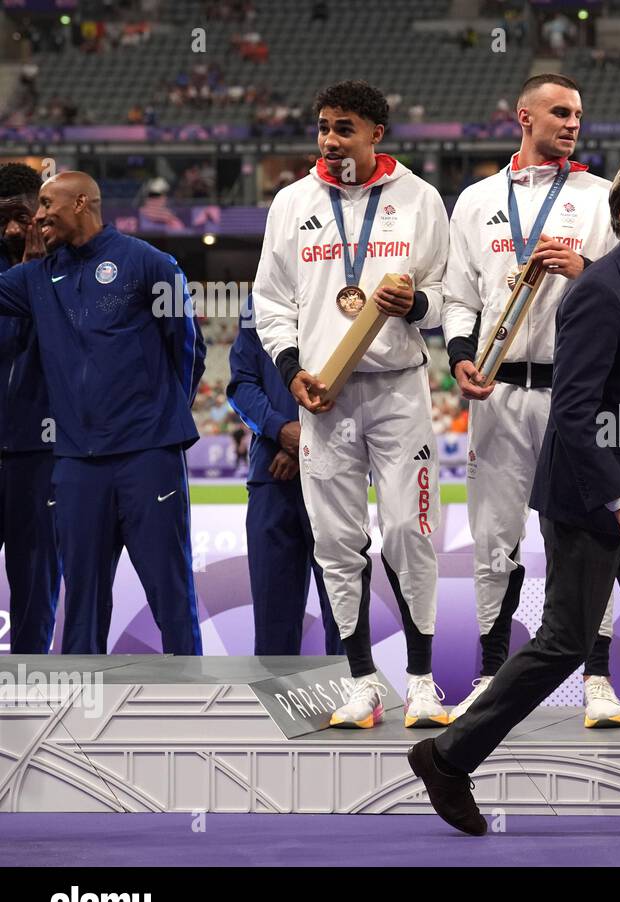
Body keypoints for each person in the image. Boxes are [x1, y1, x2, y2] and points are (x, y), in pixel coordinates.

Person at [408, 160, 620, 845]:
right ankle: (447, 756)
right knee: (564, 642)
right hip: (594, 500)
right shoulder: (598, 290)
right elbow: (575, 410)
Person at [252, 80, 450, 728]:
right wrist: (291, 370)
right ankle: (361, 681)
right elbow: (272, 303)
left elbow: (451, 295)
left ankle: (421, 681)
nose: (331, 139)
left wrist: (417, 306)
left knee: (408, 531)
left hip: (398, 391)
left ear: (375, 135)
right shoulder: (292, 202)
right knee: (337, 541)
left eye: (345, 128)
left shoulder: (419, 199)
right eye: (324, 127)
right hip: (323, 398)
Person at [442, 74, 620, 728]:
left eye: (578, 113)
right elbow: (458, 297)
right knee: (494, 539)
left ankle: (599, 678)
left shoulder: (604, 199)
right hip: (499, 392)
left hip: (579, 393)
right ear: (523, 116)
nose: (573, 123)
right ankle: (491, 676)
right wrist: (461, 354)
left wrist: (585, 272)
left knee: (591, 535)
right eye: (559, 112)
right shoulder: (475, 201)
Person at [0, 171, 205, 654]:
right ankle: (78, 710)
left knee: (170, 593)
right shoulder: (35, 278)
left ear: (82, 203)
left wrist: (156, 419)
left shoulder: (150, 263)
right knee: (83, 602)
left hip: (147, 456)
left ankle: (193, 701)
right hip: (75, 464)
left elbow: (187, 350)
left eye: (49, 203)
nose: (40, 214)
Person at [227, 299, 341, 655]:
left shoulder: (341, 293)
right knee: (273, 617)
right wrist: (280, 429)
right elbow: (241, 385)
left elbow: (357, 377)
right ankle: (274, 705)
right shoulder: (258, 303)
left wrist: (301, 442)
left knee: (344, 611)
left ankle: (355, 699)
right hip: (272, 478)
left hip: (335, 472)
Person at [0, 162, 60, 653]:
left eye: (25, 216)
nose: (15, 229)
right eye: (3, 218)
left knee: (36, 583)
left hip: (39, 453)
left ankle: (31, 682)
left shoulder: (67, 272)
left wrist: (37, 276)